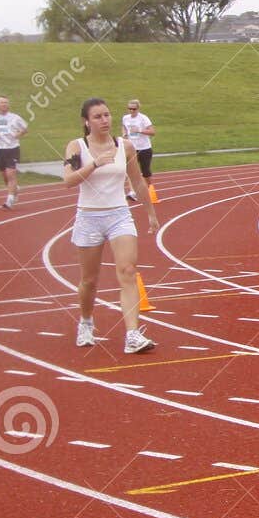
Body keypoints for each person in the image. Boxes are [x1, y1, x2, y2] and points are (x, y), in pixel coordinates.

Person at [63, 98, 158, 354]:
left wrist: (150, 213)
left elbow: (137, 182)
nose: (104, 120)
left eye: (106, 115)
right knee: (89, 280)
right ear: (87, 121)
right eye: (98, 117)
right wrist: (94, 163)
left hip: (119, 215)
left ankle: (132, 335)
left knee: (128, 271)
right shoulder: (77, 146)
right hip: (89, 217)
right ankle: (85, 321)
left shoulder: (124, 146)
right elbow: (68, 181)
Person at [120, 98, 156, 202]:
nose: (131, 111)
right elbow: (123, 127)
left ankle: (149, 188)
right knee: (130, 171)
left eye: (134, 109)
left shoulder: (143, 118)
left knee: (146, 172)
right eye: (129, 109)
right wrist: (124, 134)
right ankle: (133, 192)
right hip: (132, 148)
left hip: (144, 148)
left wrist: (139, 130)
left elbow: (152, 132)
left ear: (138, 109)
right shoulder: (125, 118)